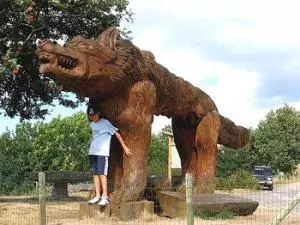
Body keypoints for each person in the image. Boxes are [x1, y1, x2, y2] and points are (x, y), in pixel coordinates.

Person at [87, 105, 132, 206]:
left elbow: (117, 133)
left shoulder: (105, 123)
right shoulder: (92, 125)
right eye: (90, 115)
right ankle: (97, 196)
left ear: (98, 114)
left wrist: (124, 147)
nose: (92, 117)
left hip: (102, 153)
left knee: (102, 174)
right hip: (92, 152)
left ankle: (105, 197)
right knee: (95, 174)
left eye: (94, 115)